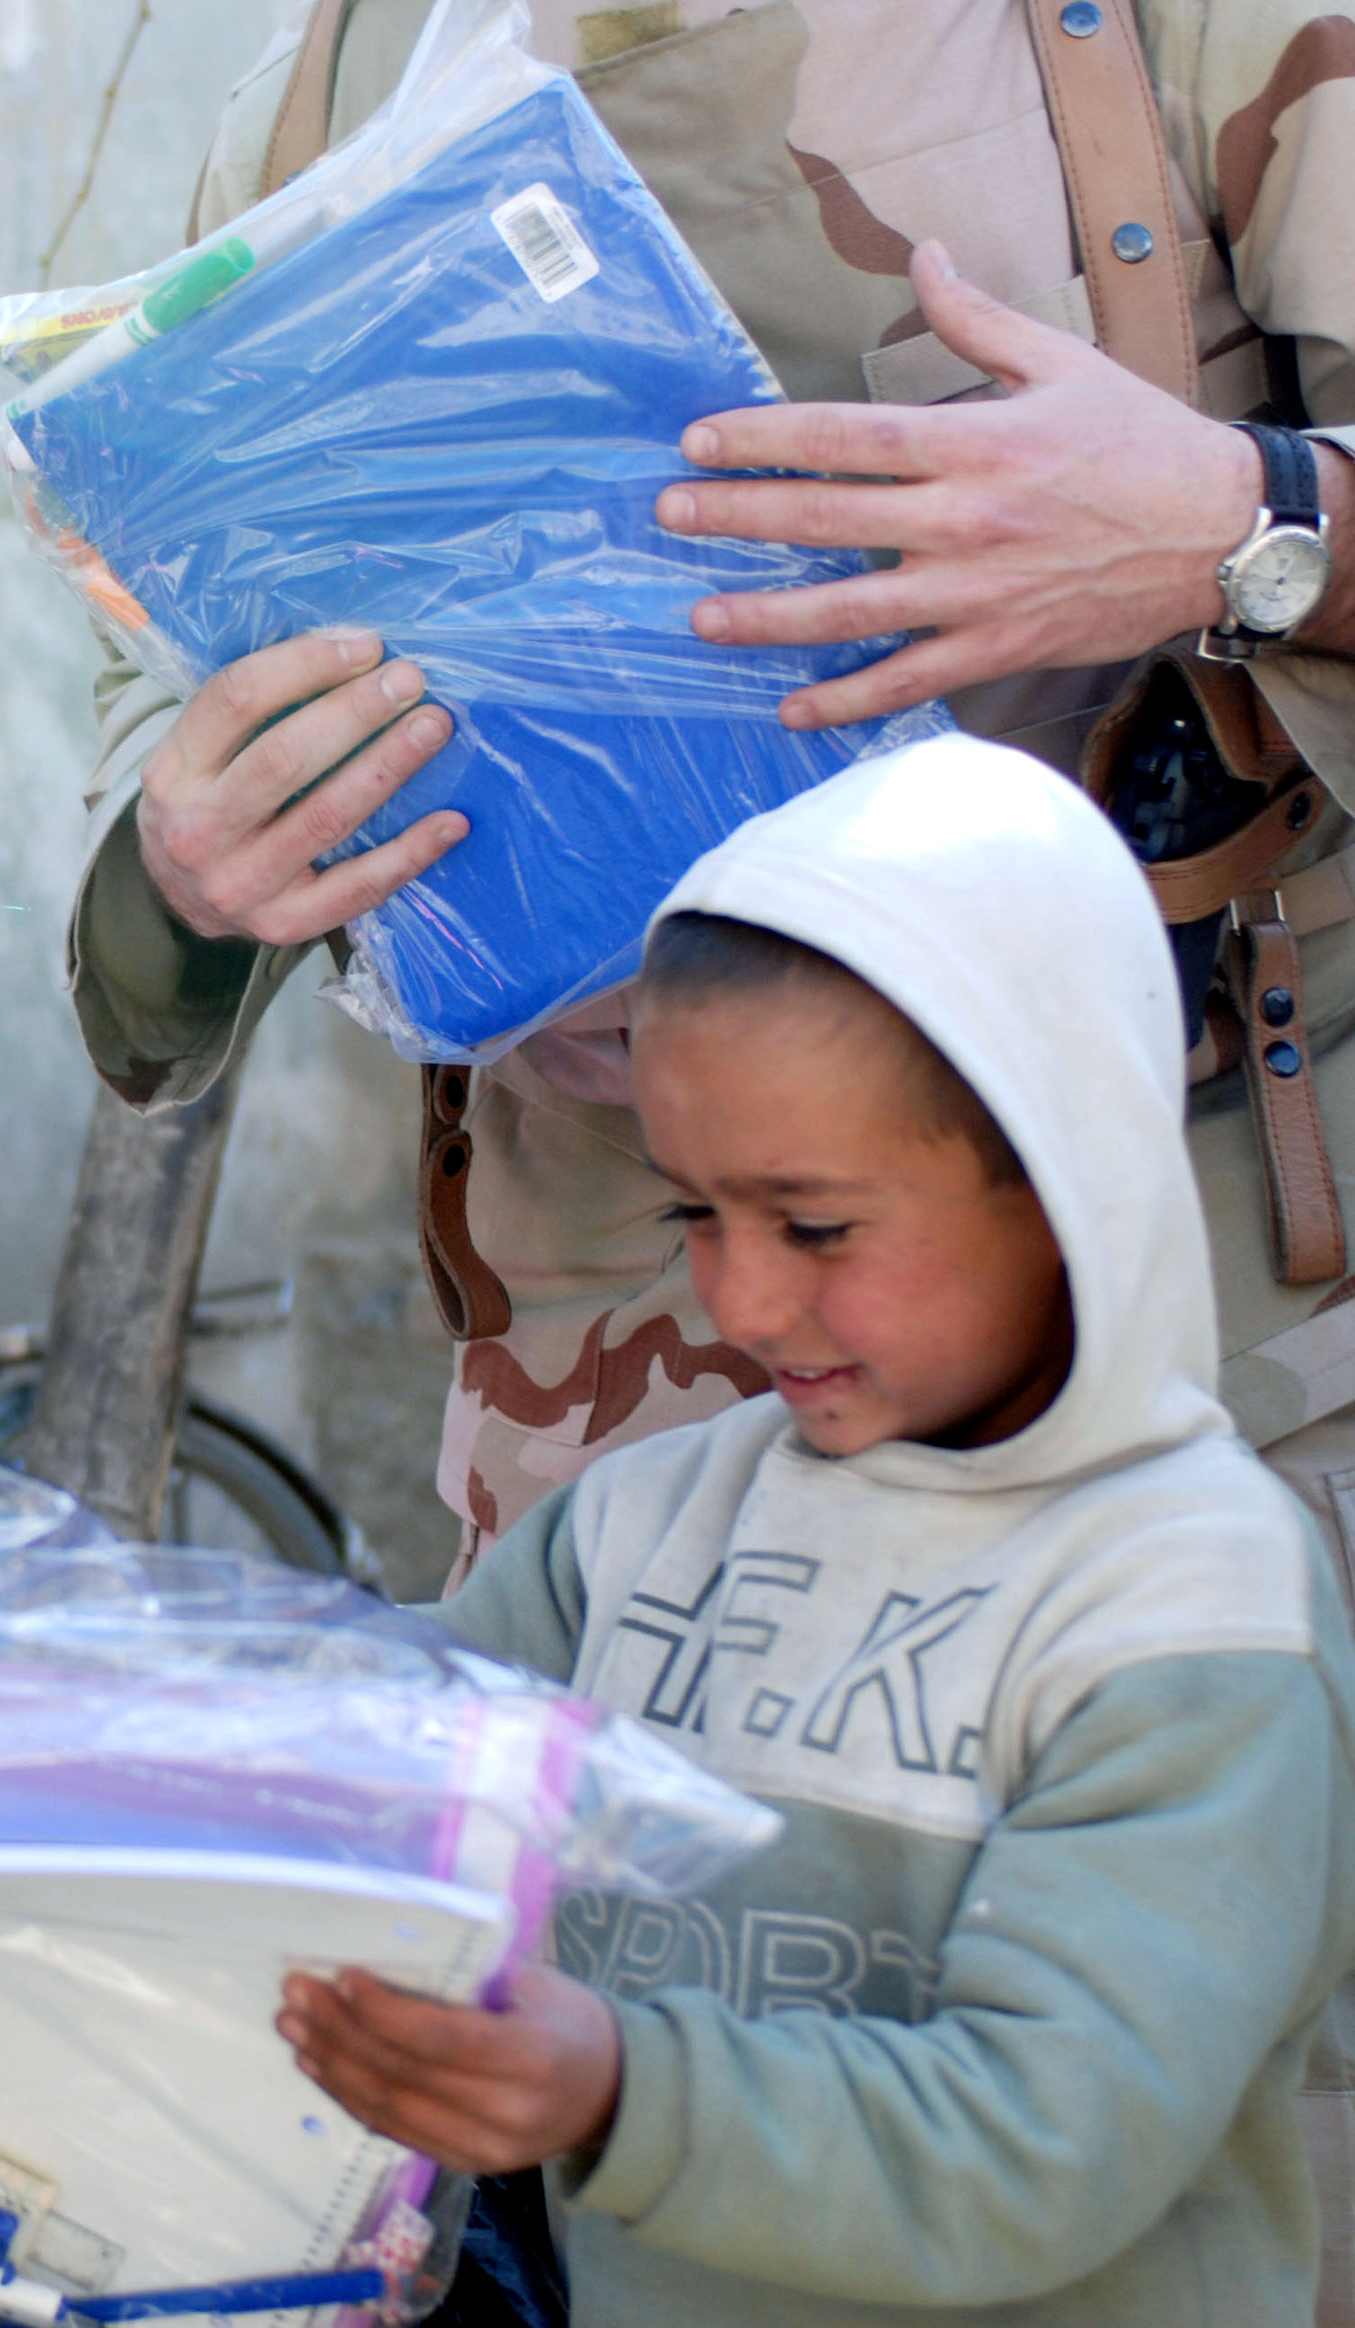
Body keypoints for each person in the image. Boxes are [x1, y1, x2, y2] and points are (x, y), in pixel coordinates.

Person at [71, 0, 1355, 1570]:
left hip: (1195, 1340)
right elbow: (168, 696)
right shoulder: (334, 95)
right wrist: (188, 865)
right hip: (624, 1416)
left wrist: (1251, 526)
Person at [280, 731, 1355, 2323]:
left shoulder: (1196, 1610)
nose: (741, 1301)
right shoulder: (649, 1525)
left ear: (1073, 1178)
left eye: (817, 1224)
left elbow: (1041, 2148)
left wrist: (624, 2096)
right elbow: (387, 1748)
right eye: (696, 1212)